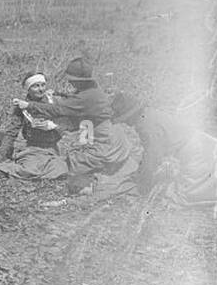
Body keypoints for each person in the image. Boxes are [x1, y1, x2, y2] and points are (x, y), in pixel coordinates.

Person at [19, 57, 140, 200]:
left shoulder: (86, 97)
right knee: (75, 156)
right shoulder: (93, 90)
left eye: (71, 79)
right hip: (110, 137)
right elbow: (76, 102)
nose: (70, 82)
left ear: (79, 81)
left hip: (106, 144)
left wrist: (29, 106)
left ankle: (96, 179)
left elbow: (59, 109)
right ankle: (101, 172)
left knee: (72, 165)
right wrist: (60, 94)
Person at [112, 92, 217, 205]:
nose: (126, 123)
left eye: (125, 119)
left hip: (195, 150)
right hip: (200, 141)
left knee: (188, 194)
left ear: (131, 115)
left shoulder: (146, 126)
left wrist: (143, 184)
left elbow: (152, 157)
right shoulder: (149, 113)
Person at [0, 72, 68, 181]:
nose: (41, 89)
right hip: (33, 150)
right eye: (36, 86)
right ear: (28, 89)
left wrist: (53, 126)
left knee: (63, 168)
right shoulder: (22, 107)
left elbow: (68, 125)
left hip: (51, 150)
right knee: (30, 170)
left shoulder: (53, 102)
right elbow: (11, 133)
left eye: (43, 85)